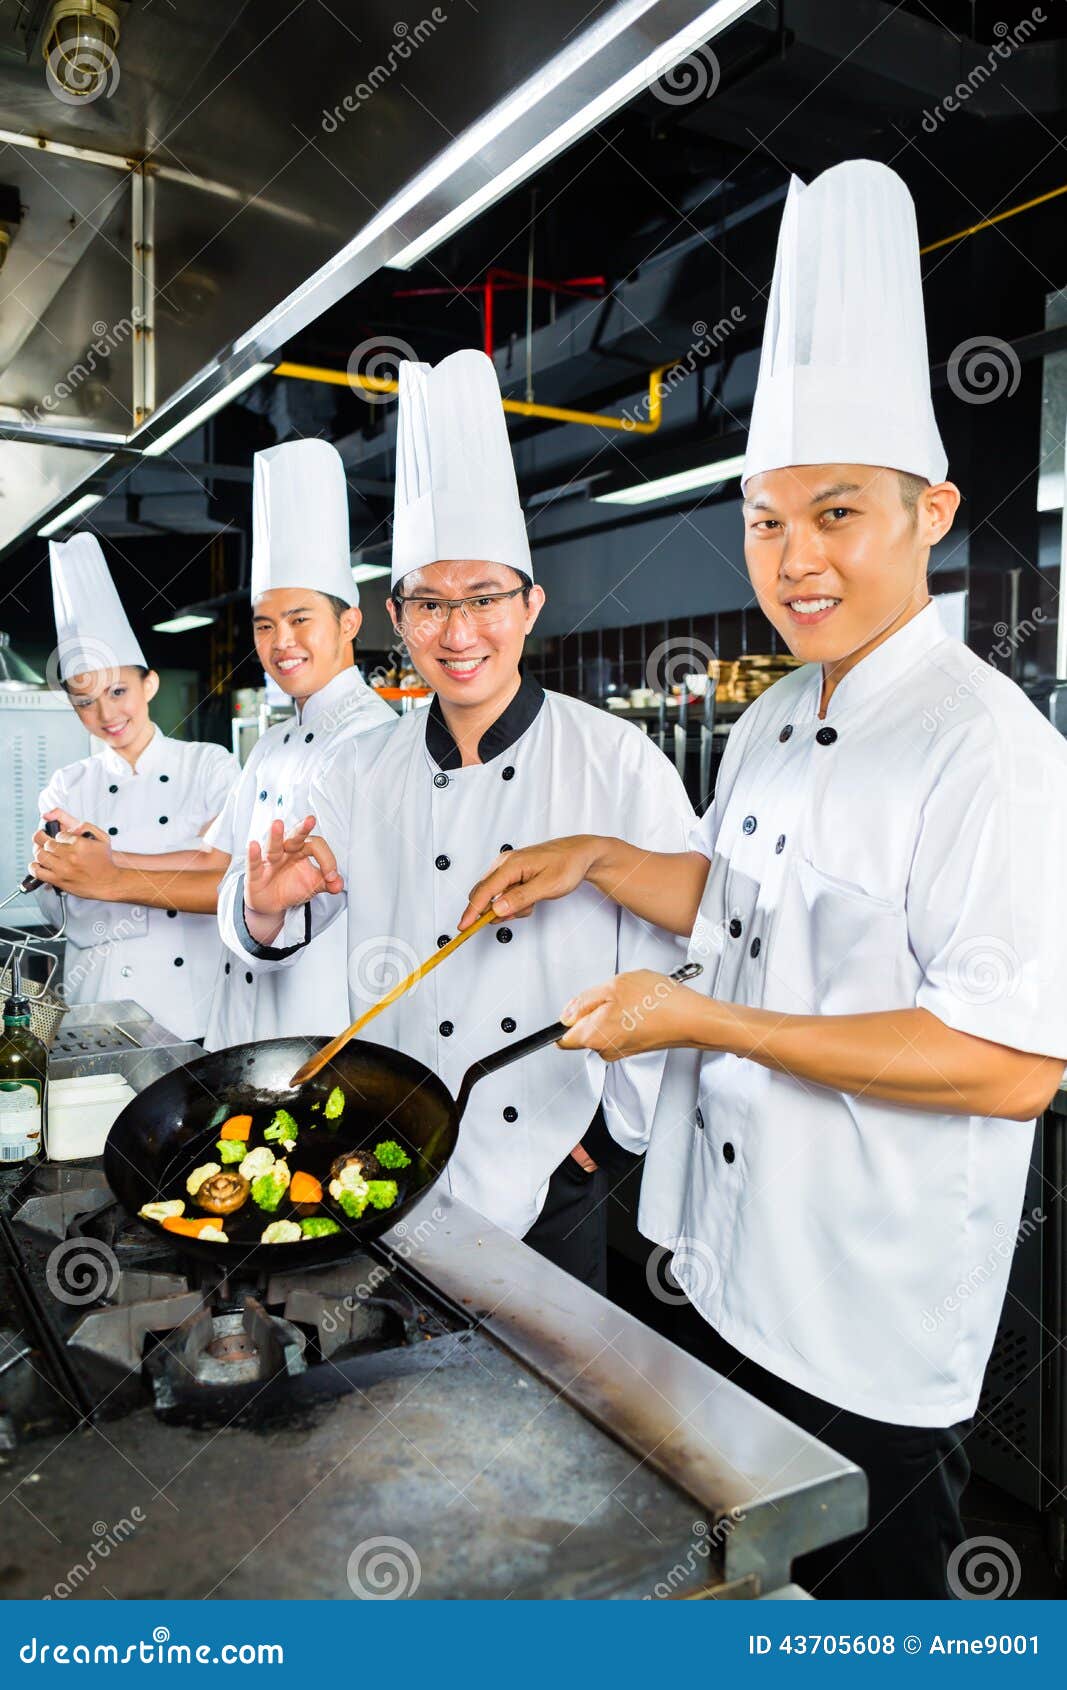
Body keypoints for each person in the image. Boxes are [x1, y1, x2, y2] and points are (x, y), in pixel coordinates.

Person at [458, 161, 1067, 1597]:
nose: (789, 560)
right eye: (761, 517)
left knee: (863, 1613)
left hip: (858, 1312)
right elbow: (743, 908)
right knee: (742, 1602)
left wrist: (705, 1023)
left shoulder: (989, 750)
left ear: (929, 510)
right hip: (713, 1263)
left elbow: (1006, 1064)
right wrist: (603, 859)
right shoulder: (773, 715)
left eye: (833, 513)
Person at [221, 349, 695, 1289]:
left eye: (483, 599)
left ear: (530, 606)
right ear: (396, 616)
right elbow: (299, 926)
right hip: (390, 1146)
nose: (458, 631)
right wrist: (271, 905)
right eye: (430, 604)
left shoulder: (614, 760)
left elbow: (688, 942)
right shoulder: (357, 766)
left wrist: (609, 1122)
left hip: (554, 1154)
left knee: (546, 1416)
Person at [30, 440, 395, 1048]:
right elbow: (217, 864)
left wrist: (111, 879)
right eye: (264, 624)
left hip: (323, 1028)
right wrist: (100, 862)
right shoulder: (273, 744)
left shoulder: (373, 742)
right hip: (245, 1023)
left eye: (301, 618)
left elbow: (276, 896)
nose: (282, 642)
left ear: (350, 621)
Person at [32, 534, 236, 1040]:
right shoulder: (68, 784)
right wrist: (60, 871)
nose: (106, 714)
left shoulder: (210, 765)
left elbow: (229, 877)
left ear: (150, 684)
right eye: (85, 702)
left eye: (118, 690)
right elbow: (62, 907)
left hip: (195, 1008)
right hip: (99, 1009)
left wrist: (105, 864)